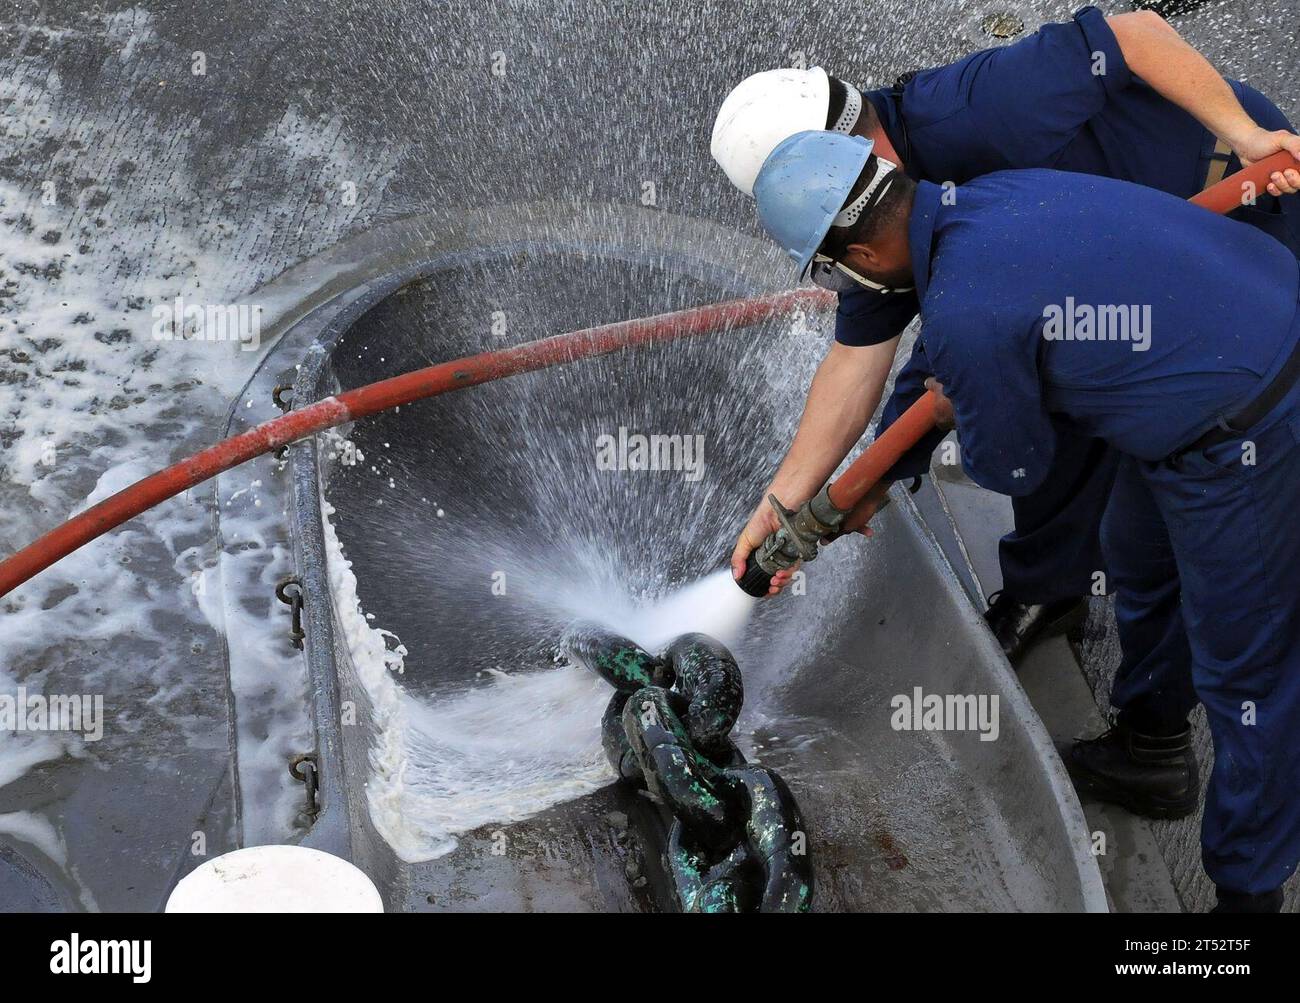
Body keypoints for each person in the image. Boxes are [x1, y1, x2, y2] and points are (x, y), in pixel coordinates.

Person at [750, 128, 1300, 911]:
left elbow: (1016, 466)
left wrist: (958, 411)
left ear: (863, 260)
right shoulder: (989, 197)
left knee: (1250, 676)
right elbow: (939, 363)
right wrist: (885, 467)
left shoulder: (969, 308)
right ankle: (1152, 750)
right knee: (1138, 558)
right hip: (1224, 352)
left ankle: (1248, 904)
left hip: (1254, 422)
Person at [713, 7, 1300, 663]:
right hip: (1082, 271)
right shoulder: (867, 214)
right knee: (1007, 371)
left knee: (1225, 420)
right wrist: (787, 502)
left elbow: (1135, 33)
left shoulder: (973, 109)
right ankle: (1052, 585)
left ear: (834, 158)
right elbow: (857, 359)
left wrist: (1246, 135)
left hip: (1224, 186)